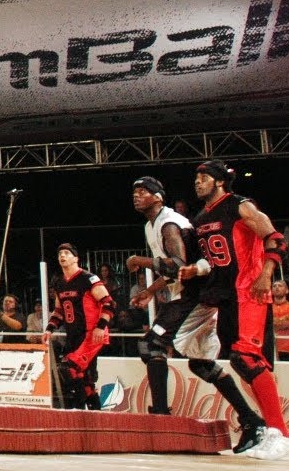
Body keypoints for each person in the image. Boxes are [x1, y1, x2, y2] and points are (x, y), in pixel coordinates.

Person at [176, 160, 289, 459]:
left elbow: (275, 239)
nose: (197, 181)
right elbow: (217, 258)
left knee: (247, 358)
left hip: (249, 291)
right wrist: (195, 271)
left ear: (219, 181)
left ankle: (281, 433)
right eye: (196, 177)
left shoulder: (239, 205)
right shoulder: (202, 216)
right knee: (242, 364)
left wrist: (266, 274)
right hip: (225, 296)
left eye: (204, 177)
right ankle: (271, 430)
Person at [123, 175, 197, 415]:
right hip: (182, 293)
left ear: (158, 197)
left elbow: (177, 264)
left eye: (143, 191)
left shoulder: (168, 223)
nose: (136, 195)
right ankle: (161, 411)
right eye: (134, 192)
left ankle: (161, 412)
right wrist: (150, 291)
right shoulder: (150, 225)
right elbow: (170, 270)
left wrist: (139, 260)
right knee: (201, 363)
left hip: (193, 294)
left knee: (151, 345)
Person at [42, 242, 113, 410]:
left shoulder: (88, 278)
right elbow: (59, 311)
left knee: (69, 368)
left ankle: (79, 410)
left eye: (67, 253)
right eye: (60, 253)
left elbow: (109, 304)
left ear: (76, 258)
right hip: (73, 335)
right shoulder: (59, 283)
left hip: (92, 334)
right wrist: (49, 329)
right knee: (84, 378)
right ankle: (95, 413)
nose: (62, 256)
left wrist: (100, 327)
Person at [271, 280, 289, 361]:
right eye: (274, 286)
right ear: (271, 291)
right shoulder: (267, 309)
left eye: (280, 285)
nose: (276, 287)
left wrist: (273, 323)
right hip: (271, 350)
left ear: (287, 290)